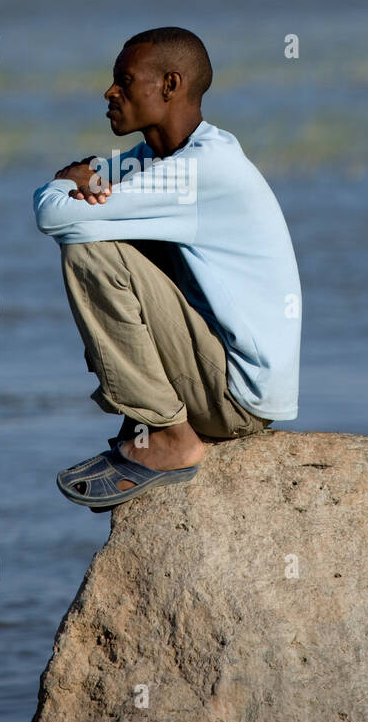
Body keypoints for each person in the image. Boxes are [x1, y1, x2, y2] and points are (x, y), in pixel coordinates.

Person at [32, 26, 302, 510]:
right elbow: (82, 193)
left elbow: (57, 215)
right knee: (109, 231)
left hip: (235, 398)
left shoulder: (201, 168)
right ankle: (148, 422)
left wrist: (66, 182)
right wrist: (76, 183)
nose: (109, 92)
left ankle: (174, 438)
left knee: (90, 250)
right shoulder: (157, 159)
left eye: (125, 80)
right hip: (216, 370)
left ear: (171, 85)